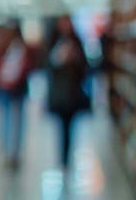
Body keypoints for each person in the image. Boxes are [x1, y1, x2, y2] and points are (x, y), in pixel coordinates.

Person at [46, 15, 89, 168]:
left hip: (72, 93)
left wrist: (74, 58)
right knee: (60, 127)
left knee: (70, 127)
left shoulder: (77, 42)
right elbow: (46, 67)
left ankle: (67, 157)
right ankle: (62, 158)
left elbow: (85, 67)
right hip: (58, 95)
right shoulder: (52, 41)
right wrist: (57, 59)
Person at [0, 22, 34, 170]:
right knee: (13, 122)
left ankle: (11, 153)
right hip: (12, 90)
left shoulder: (13, 48)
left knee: (11, 121)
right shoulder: (11, 48)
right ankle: (11, 153)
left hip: (15, 90)